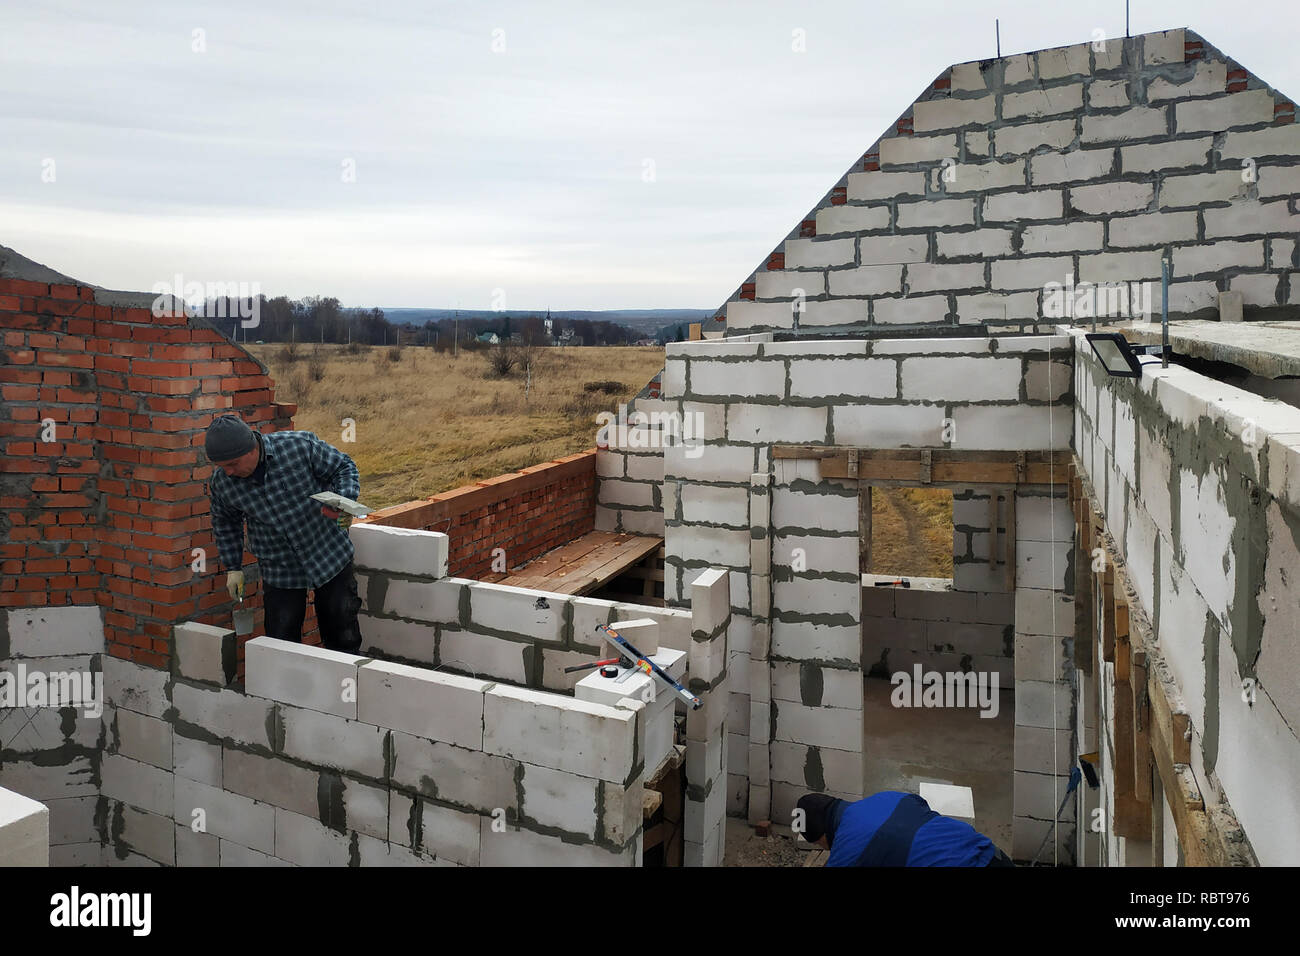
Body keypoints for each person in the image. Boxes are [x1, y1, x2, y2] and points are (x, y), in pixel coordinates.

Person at [204, 413, 363, 652]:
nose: (228, 472)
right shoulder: (223, 483)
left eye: (232, 464)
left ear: (251, 449)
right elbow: (226, 523)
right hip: (280, 568)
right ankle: (286, 690)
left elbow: (343, 466)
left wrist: (343, 500)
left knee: (343, 636)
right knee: (281, 644)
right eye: (222, 467)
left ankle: (344, 686)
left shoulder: (298, 446)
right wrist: (233, 567)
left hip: (328, 554)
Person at [796, 791, 1015, 867]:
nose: (825, 850)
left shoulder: (846, 850)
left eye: (819, 845)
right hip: (992, 855)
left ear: (822, 835)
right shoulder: (887, 797)